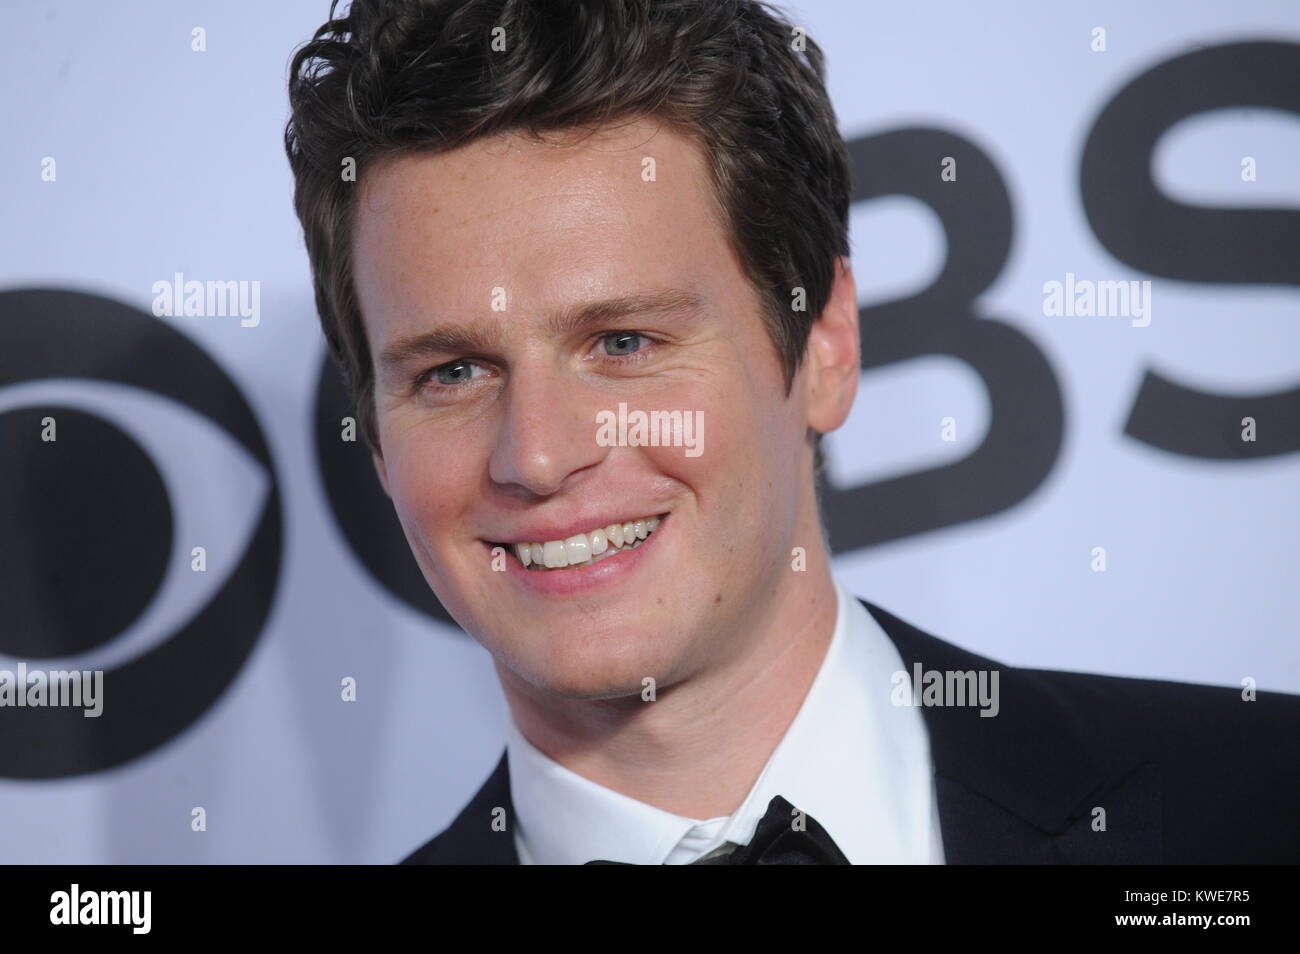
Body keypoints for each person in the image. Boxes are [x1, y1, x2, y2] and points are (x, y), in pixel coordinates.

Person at [285, 0, 1300, 864]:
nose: (539, 455)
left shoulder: (1256, 799)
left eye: (625, 343)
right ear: (374, 437)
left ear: (824, 347)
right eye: (453, 373)